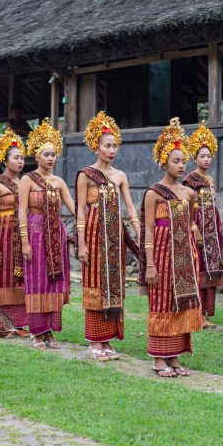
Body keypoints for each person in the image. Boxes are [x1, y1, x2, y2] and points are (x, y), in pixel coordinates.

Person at [139, 118, 202, 377]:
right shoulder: (154, 193)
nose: (180, 165)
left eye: (183, 161)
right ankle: (159, 359)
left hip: (184, 257)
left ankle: (174, 356)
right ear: (164, 161)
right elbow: (149, 230)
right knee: (162, 301)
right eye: (175, 160)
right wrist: (150, 264)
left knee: (181, 303)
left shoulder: (189, 193)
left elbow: (189, 224)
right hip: (163, 255)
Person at [75, 112, 139, 361]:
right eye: (107, 146)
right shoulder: (85, 175)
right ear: (96, 147)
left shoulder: (120, 176)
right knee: (95, 283)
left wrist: (139, 233)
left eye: (115, 146)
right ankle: (95, 340)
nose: (112, 150)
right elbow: (80, 209)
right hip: (92, 233)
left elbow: (130, 207)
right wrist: (80, 242)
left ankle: (108, 338)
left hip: (115, 235)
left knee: (114, 283)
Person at [18, 118, 75, 349]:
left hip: (56, 236)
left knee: (53, 281)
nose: (50, 158)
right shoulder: (27, 180)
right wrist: (24, 241)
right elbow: (21, 211)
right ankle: (36, 331)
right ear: (37, 156)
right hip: (34, 233)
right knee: (37, 280)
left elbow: (74, 209)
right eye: (46, 154)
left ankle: (49, 331)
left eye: (53, 154)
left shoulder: (59, 182)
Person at [0, 128, 29, 334]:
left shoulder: (26, 183)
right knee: (4, 276)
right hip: (3, 236)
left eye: (22, 158)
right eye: (15, 158)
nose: (20, 162)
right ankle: (3, 323)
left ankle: (21, 321)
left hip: (22, 236)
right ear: (5, 159)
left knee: (21, 277)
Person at [184, 122, 223, 329]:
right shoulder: (190, 180)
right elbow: (186, 208)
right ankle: (196, 313)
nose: (206, 160)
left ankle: (206, 314)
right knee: (198, 269)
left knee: (211, 270)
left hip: (212, 229)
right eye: (202, 156)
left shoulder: (209, 179)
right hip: (198, 226)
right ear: (195, 158)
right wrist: (194, 229)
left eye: (209, 156)